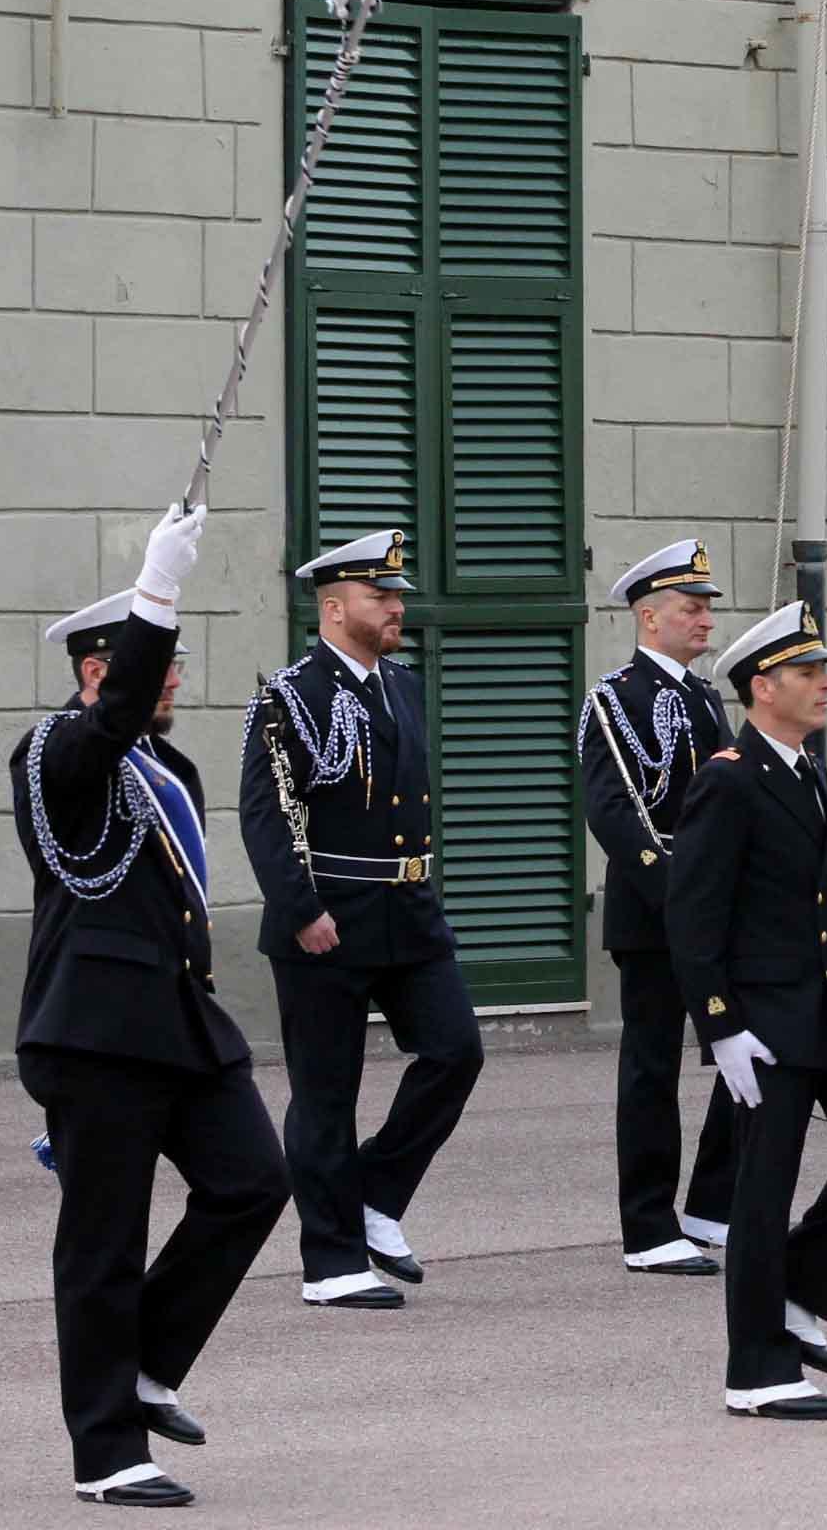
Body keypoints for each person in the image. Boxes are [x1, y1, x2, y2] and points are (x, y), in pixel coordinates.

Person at [15, 512, 291, 1510]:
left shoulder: (169, 768)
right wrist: (156, 585)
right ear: (99, 673)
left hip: (177, 1020)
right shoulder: (54, 754)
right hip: (93, 1031)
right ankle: (105, 1454)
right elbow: (114, 723)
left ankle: (145, 1363)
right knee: (103, 1242)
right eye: (151, 665)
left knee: (255, 1180)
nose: (171, 679)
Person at [667, 603, 827, 1419]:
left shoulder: (803, 768)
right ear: (762, 686)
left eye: (824, 670)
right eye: (809, 673)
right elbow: (694, 914)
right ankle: (755, 1372)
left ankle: (798, 1293)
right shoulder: (729, 778)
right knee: (761, 1193)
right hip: (764, 1023)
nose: (826, 685)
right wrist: (720, 1026)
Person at [238, 528, 485, 1310]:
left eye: (397, 595)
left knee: (455, 1052)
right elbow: (267, 813)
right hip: (328, 915)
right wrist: (300, 905)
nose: (396, 607)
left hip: (408, 910)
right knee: (325, 1092)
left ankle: (375, 1194)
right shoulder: (291, 695)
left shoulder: (402, 685)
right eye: (381, 597)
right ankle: (331, 1260)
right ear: (334, 606)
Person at [579, 538, 739, 1277]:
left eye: (705, 606)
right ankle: (648, 1227)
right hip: (657, 908)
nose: (705, 619)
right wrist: (676, 890)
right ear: (649, 617)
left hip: (718, 903)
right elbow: (614, 811)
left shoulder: (707, 699)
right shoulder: (615, 698)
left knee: (751, 1049)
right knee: (651, 1067)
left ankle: (714, 1205)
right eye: (690, 607)